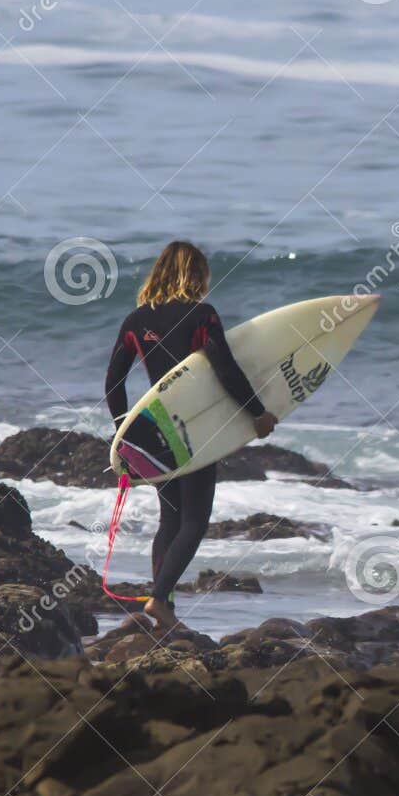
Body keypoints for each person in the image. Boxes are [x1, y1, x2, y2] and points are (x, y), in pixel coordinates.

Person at [104, 240, 276, 631]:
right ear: (195, 274)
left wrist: (124, 435)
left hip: (156, 432)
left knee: (170, 520)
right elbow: (225, 369)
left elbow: (113, 383)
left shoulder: (135, 321)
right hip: (195, 430)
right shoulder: (202, 316)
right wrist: (257, 413)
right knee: (195, 521)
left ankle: (164, 606)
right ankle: (160, 600)